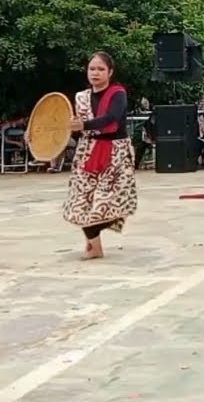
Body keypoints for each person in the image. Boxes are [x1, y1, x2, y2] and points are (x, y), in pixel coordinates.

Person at [62, 51, 138, 260]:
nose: (95, 73)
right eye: (92, 69)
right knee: (80, 203)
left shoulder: (118, 93)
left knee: (110, 202)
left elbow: (111, 118)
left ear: (110, 72)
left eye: (100, 69)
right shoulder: (82, 98)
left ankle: (94, 244)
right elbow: (72, 127)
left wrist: (84, 125)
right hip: (87, 152)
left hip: (116, 153)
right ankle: (95, 247)